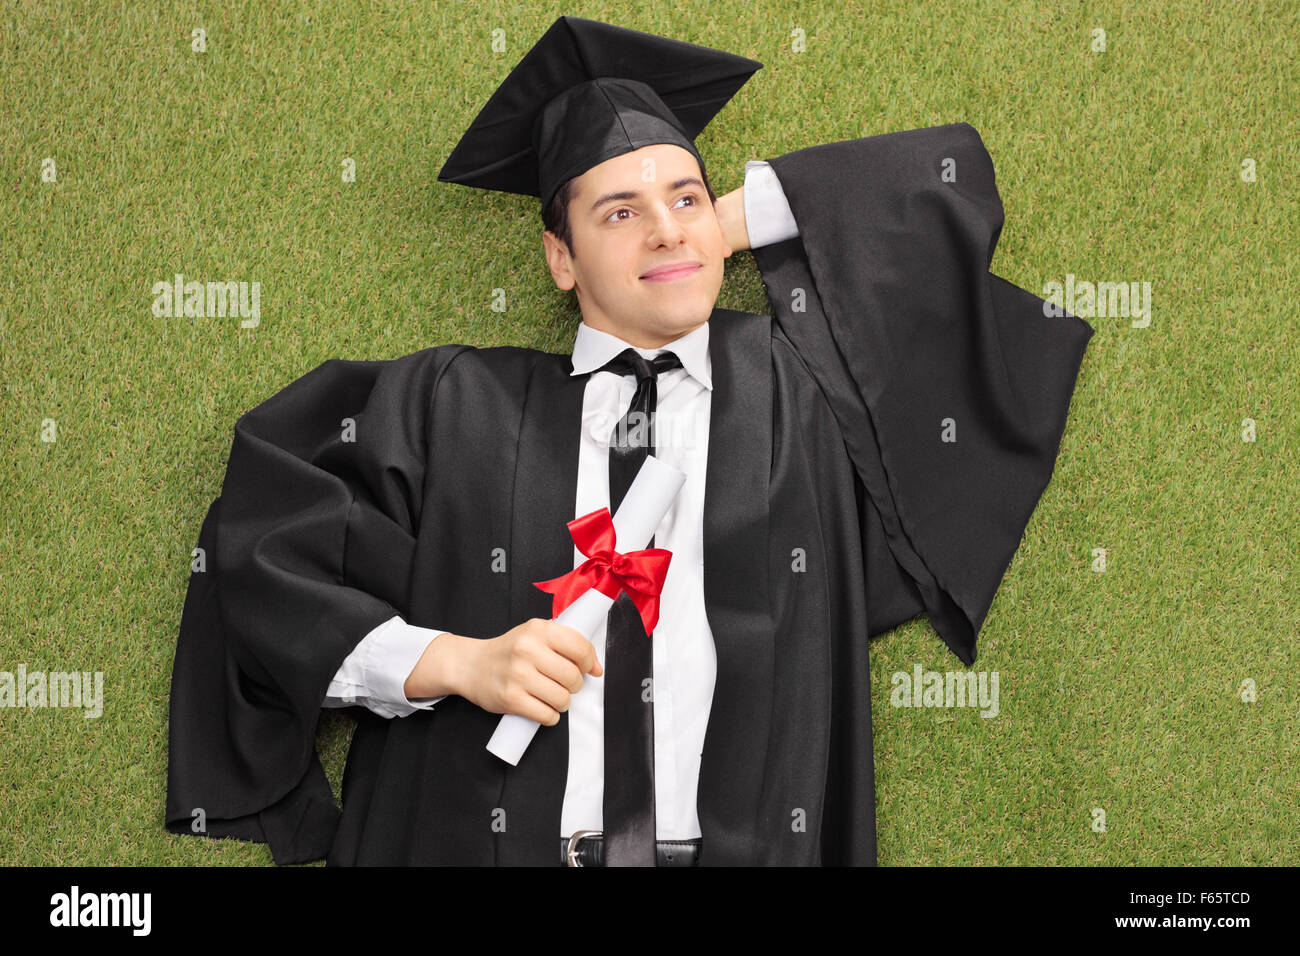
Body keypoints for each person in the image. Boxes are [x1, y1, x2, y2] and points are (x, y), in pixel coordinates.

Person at [165, 16, 1094, 866]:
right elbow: (260, 543)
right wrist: (455, 661)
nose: (662, 226)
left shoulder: (800, 395)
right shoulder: (458, 403)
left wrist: (709, 229)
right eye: (618, 212)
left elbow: (941, 187)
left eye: (684, 196)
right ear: (560, 259)